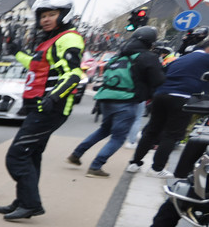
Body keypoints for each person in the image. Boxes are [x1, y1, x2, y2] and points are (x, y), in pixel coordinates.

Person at [0, 0, 85, 220]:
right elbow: (36, 65)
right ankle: (23, 200)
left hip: (50, 108)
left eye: (52, 14)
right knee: (32, 155)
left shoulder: (69, 38)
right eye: (43, 15)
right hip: (39, 107)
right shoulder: (50, 41)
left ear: (64, 15)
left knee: (16, 155)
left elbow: (74, 74)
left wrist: (53, 97)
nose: (46, 19)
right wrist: (16, 51)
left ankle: (31, 204)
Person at [64, 26, 164, 177]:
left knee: (104, 129)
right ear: (150, 42)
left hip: (106, 99)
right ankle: (96, 167)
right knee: (118, 137)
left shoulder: (119, 56)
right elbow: (159, 80)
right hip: (126, 101)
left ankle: (76, 154)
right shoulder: (147, 57)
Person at [128, 39, 209, 177]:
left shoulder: (181, 58)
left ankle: (134, 163)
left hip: (161, 94)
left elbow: (163, 72)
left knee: (152, 130)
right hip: (181, 97)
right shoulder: (206, 59)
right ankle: (156, 169)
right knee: (172, 134)